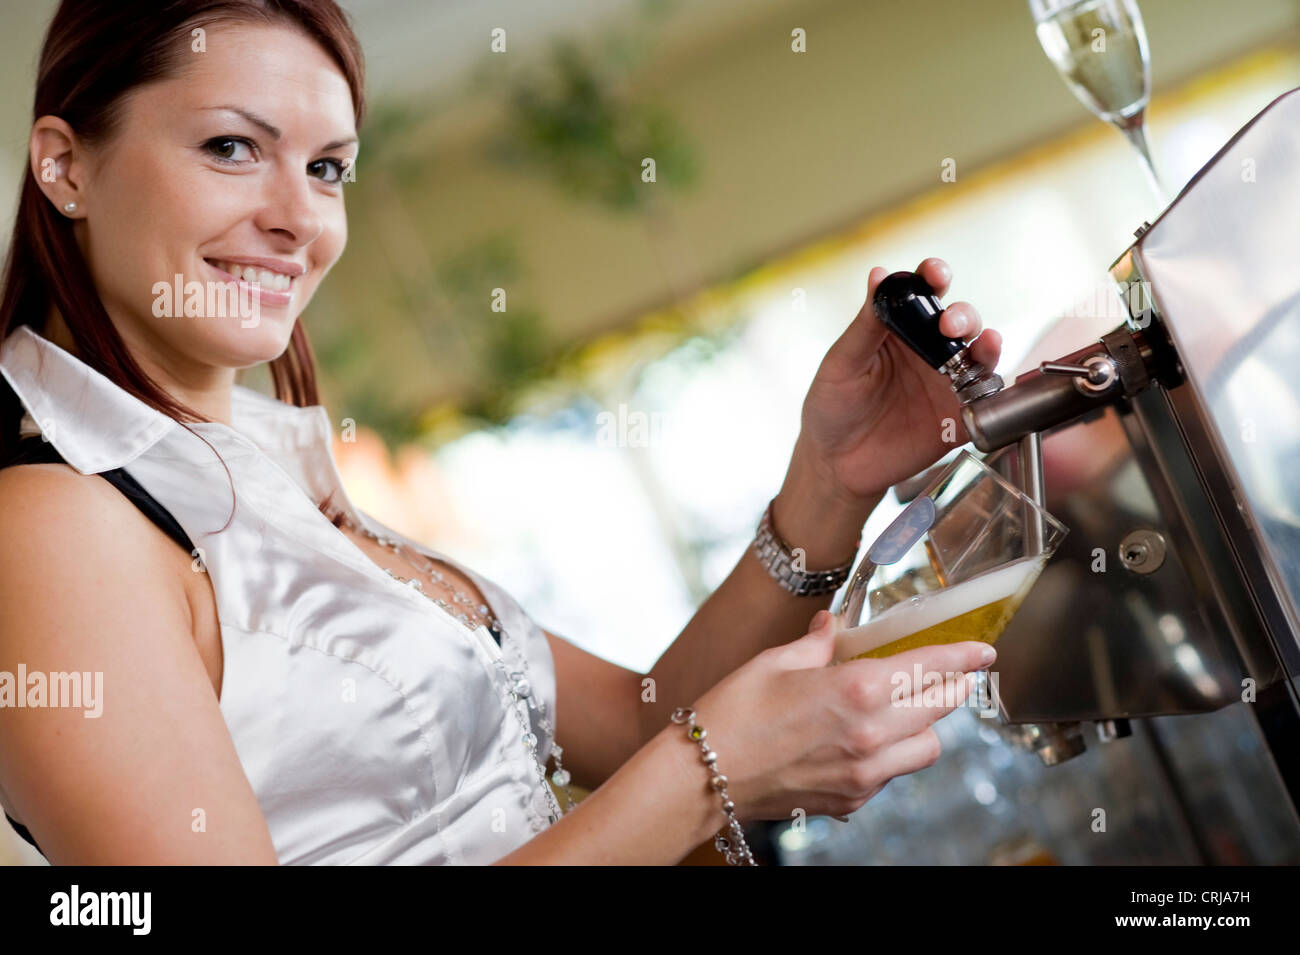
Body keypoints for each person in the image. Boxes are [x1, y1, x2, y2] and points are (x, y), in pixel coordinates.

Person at [0, 0, 1003, 866]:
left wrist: (831, 480)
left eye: (327, 168)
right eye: (231, 147)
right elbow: (682, 754)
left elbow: (641, 722)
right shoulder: (48, 519)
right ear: (64, 165)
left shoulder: (262, 469)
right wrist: (708, 775)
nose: (299, 217)